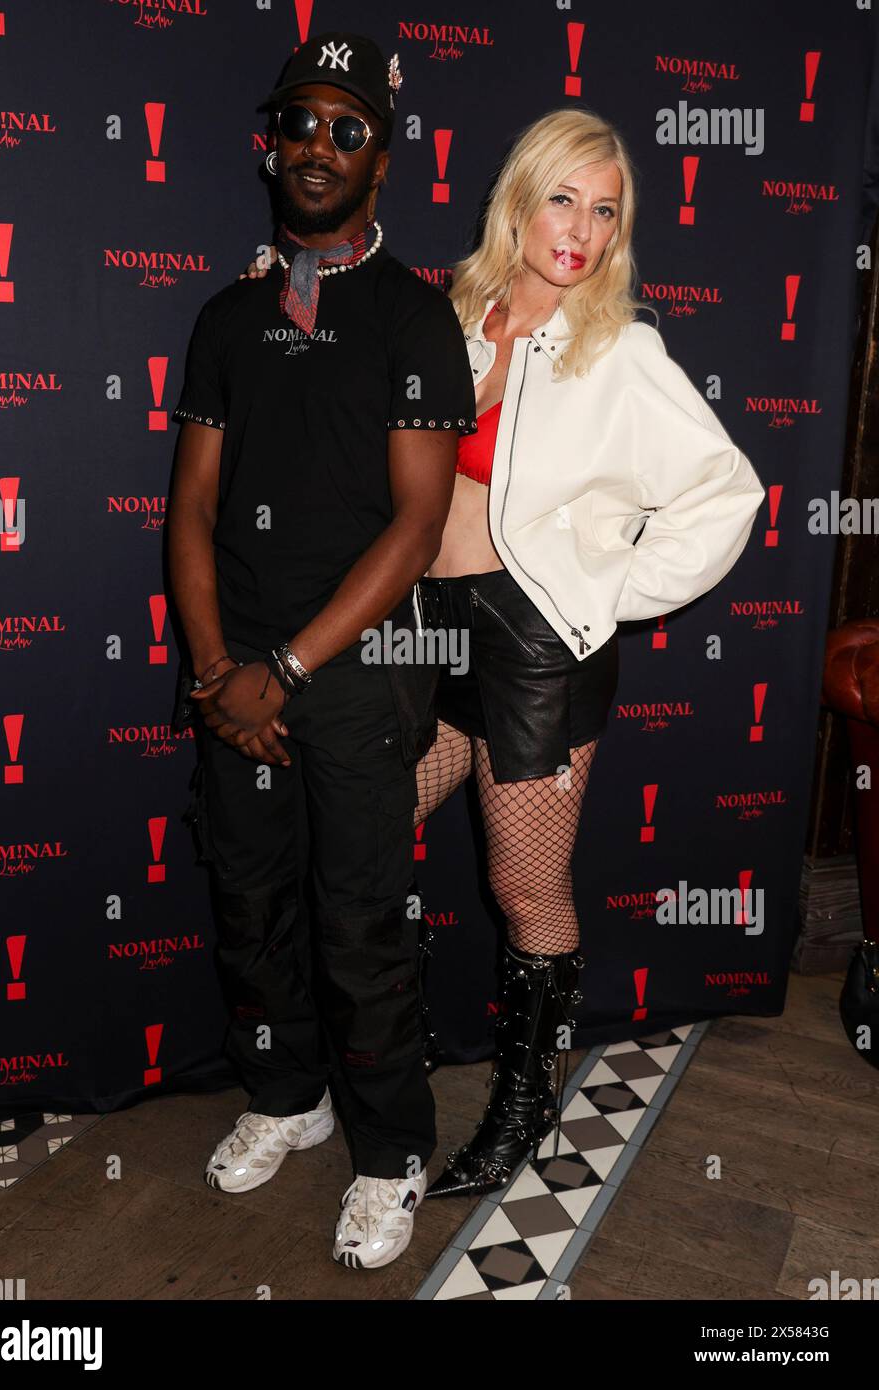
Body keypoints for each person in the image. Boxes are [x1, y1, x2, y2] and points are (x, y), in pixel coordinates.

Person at [243, 105, 766, 1199]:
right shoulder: (456, 312)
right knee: (358, 830)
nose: (579, 228)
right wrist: (288, 290)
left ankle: (524, 1109)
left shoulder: (622, 351)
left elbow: (726, 493)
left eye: (604, 209)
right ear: (519, 200)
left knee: (525, 889)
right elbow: (345, 387)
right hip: (427, 638)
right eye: (562, 198)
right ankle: (366, 1066)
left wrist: (601, 590)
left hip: (535, 652)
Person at [167, 30, 477, 1269]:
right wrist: (216, 675)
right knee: (251, 907)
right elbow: (188, 506)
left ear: (383, 161)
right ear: (269, 141)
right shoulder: (229, 316)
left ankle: (391, 1151)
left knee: (358, 922)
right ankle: (287, 1095)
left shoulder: (414, 317)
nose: (318, 147)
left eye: (349, 129)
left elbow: (414, 529)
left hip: (353, 674)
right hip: (231, 673)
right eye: (301, 121)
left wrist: (281, 671)